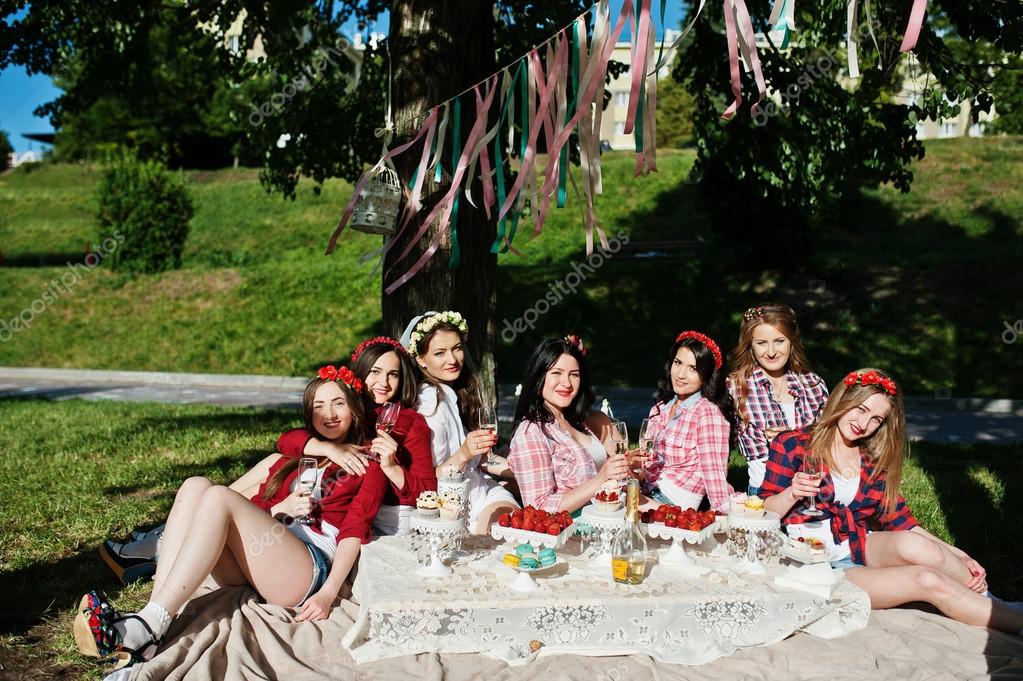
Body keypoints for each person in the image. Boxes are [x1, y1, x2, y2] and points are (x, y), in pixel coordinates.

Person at [74, 368, 387, 667]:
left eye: (338, 403)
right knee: (195, 485)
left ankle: (149, 625)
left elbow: (355, 531)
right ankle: (154, 619)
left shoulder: (367, 462)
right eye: (319, 405)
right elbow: (285, 441)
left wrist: (328, 593)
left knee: (219, 496)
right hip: (265, 558)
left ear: (354, 408)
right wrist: (284, 507)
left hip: (307, 569)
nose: (329, 414)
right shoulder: (302, 456)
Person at [761, 369, 1023, 635]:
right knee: (927, 579)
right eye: (860, 409)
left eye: (876, 419)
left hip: (857, 545)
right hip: (816, 566)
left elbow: (900, 520)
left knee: (924, 549)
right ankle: (1015, 621)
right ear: (843, 399)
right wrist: (792, 493)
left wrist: (961, 555)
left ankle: (993, 601)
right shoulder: (793, 444)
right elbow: (762, 515)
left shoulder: (870, 459)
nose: (864, 424)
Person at [275, 336, 437, 535]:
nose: (383, 382)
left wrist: (392, 468)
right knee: (275, 462)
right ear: (360, 371)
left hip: (384, 517)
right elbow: (286, 441)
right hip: (339, 510)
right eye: (375, 372)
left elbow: (428, 492)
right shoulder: (344, 409)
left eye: (393, 374)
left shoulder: (410, 422)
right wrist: (330, 449)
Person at [399, 311, 519, 533]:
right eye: (440, 353)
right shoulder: (430, 404)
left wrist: (523, 472)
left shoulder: (455, 393)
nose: (452, 360)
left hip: (482, 490)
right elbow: (429, 477)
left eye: (456, 348)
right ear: (420, 359)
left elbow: (484, 461)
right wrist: (464, 453)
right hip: (452, 505)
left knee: (513, 520)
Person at [507, 335, 628, 512]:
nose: (567, 383)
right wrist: (600, 479)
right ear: (539, 377)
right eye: (556, 373)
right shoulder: (531, 431)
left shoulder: (576, 421)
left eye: (574, 375)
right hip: (568, 531)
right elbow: (539, 507)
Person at [727, 303, 828, 496]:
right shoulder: (737, 386)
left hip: (812, 490)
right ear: (750, 346)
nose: (771, 351)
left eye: (779, 341)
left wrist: (795, 436)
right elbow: (718, 446)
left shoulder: (813, 385)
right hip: (765, 491)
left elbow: (831, 440)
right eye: (762, 343)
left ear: (791, 341)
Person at [644, 330, 734, 513]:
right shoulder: (661, 408)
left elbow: (715, 477)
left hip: (672, 504)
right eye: (678, 363)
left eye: (693, 369)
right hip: (646, 491)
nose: (681, 374)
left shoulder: (706, 413)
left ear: (707, 375)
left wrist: (726, 517)